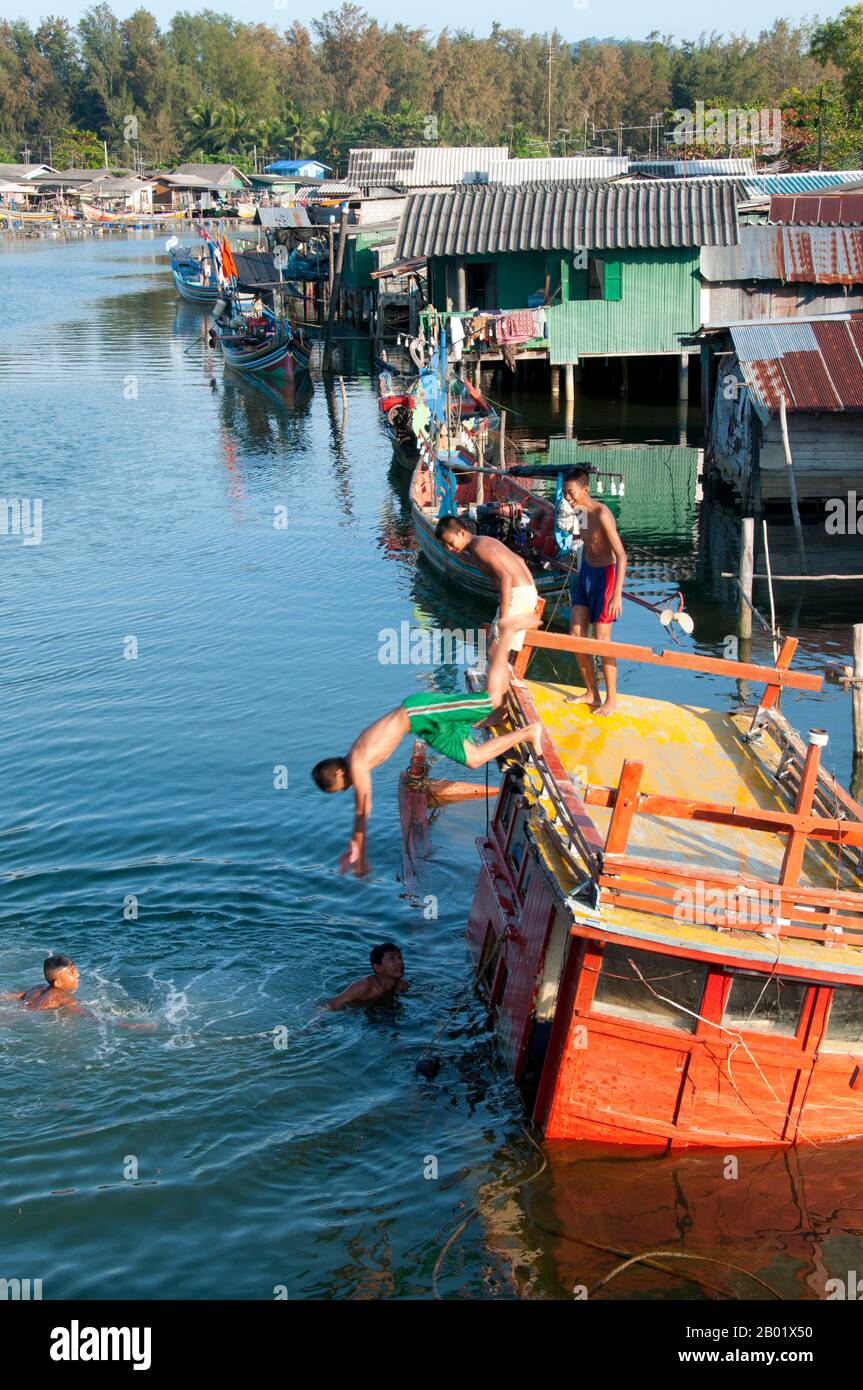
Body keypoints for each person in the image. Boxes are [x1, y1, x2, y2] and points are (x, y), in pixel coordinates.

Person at [311, 611, 542, 878]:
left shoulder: (358, 762)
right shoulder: (356, 756)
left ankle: (507, 632)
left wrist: (357, 844)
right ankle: (521, 729)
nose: (342, 791)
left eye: (337, 788)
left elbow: (364, 804)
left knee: (490, 699)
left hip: (420, 712)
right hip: (424, 727)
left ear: (338, 774)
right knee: (474, 759)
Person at [562, 469, 627, 716]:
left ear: (585, 489)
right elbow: (587, 542)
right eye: (565, 493)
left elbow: (622, 555)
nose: (568, 497)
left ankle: (611, 699)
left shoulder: (602, 514)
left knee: (602, 642)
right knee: (576, 635)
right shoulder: (579, 512)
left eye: (571, 492)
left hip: (607, 576)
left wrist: (616, 594)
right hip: (587, 573)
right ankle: (592, 692)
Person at [434, 515, 538, 658]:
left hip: (517, 595)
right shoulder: (484, 541)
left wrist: (503, 614)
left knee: (493, 652)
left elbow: (505, 576)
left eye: (451, 543)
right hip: (526, 591)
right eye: (446, 546)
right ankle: (506, 676)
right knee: (503, 649)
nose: (450, 548)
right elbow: (519, 560)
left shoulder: (478, 547)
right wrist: (532, 591)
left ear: (462, 533)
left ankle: (500, 678)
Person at [324, 943, 409, 1010]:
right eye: (392, 958)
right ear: (377, 967)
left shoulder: (401, 985)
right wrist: (315, 1024)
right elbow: (330, 1005)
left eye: (399, 957)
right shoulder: (364, 987)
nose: (399, 962)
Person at [3, 954, 85, 1013]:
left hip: (18, 1010)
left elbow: (14, 995)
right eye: (72, 972)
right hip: (24, 1015)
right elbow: (82, 1013)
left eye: (76, 970)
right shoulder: (64, 997)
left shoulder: (38, 987)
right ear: (57, 983)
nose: (78, 974)